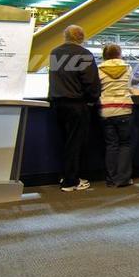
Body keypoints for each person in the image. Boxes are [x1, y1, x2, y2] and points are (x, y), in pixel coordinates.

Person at [48, 25, 101, 192]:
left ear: (65, 36)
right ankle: (71, 181)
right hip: (76, 105)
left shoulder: (54, 53)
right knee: (75, 143)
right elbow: (91, 82)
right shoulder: (84, 54)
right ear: (82, 37)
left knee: (64, 141)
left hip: (57, 103)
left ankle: (66, 175)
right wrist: (92, 100)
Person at [98, 43, 133, 188]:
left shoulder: (98, 69)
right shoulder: (128, 68)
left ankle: (111, 179)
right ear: (119, 54)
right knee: (125, 144)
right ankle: (123, 179)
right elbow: (129, 86)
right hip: (124, 108)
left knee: (111, 145)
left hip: (106, 110)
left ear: (104, 55)